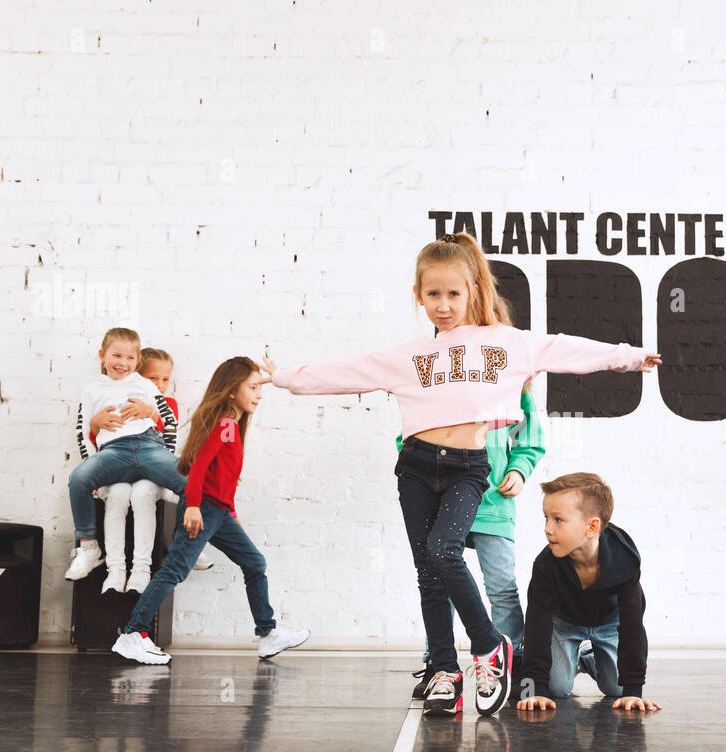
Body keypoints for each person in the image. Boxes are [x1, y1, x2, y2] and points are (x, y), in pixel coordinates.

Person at [265, 232, 660, 716]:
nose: (444, 305)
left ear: (473, 290)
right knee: (428, 574)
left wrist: (628, 356)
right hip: (414, 466)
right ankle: (445, 669)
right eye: (433, 295)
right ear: (419, 296)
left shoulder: (507, 344)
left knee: (443, 550)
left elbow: (565, 350)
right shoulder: (413, 355)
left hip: (468, 469)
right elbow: (350, 371)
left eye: (454, 294)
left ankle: (489, 646)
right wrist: (284, 377)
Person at [112, 356, 309, 665]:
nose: (258, 395)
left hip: (218, 512)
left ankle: (268, 633)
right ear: (232, 390)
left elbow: (223, 478)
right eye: (253, 388)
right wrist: (192, 506)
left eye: (260, 388)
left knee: (254, 562)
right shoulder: (224, 424)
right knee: (175, 570)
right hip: (203, 508)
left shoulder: (231, 425)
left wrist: (231, 513)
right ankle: (133, 635)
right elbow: (199, 467)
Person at [407, 381, 545, 700]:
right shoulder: (438, 380)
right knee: (438, 580)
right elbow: (410, 435)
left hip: (493, 500)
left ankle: (505, 666)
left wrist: (519, 470)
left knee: (501, 586)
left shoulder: (511, 386)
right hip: (442, 500)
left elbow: (531, 437)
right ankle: (438, 662)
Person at [516, 472, 660, 714]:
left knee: (616, 688)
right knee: (557, 688)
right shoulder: (546, 565)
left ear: (591, 527)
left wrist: (634, 691)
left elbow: (632, 623)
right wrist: (535, 688)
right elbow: (537, 625)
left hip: (609, 623)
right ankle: (566, 659)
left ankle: (589, 658)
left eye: (558, 520)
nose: (548, 529)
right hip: (565, 622)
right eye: (546, 518)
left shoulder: (624, 559)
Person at [66, 329, 184, 584]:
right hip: (113, 451)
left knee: (192, 479)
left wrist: (150, 412)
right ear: (102, 355)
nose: (123, 363)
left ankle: (187, 542)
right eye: (116, 355)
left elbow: (171, 422)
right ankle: (88, 548)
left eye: (130, 357)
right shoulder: (92, 389)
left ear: (138, 359)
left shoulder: (145, 385)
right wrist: (91, 459)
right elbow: (82, 431)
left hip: (148, 446)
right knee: (78, 480)